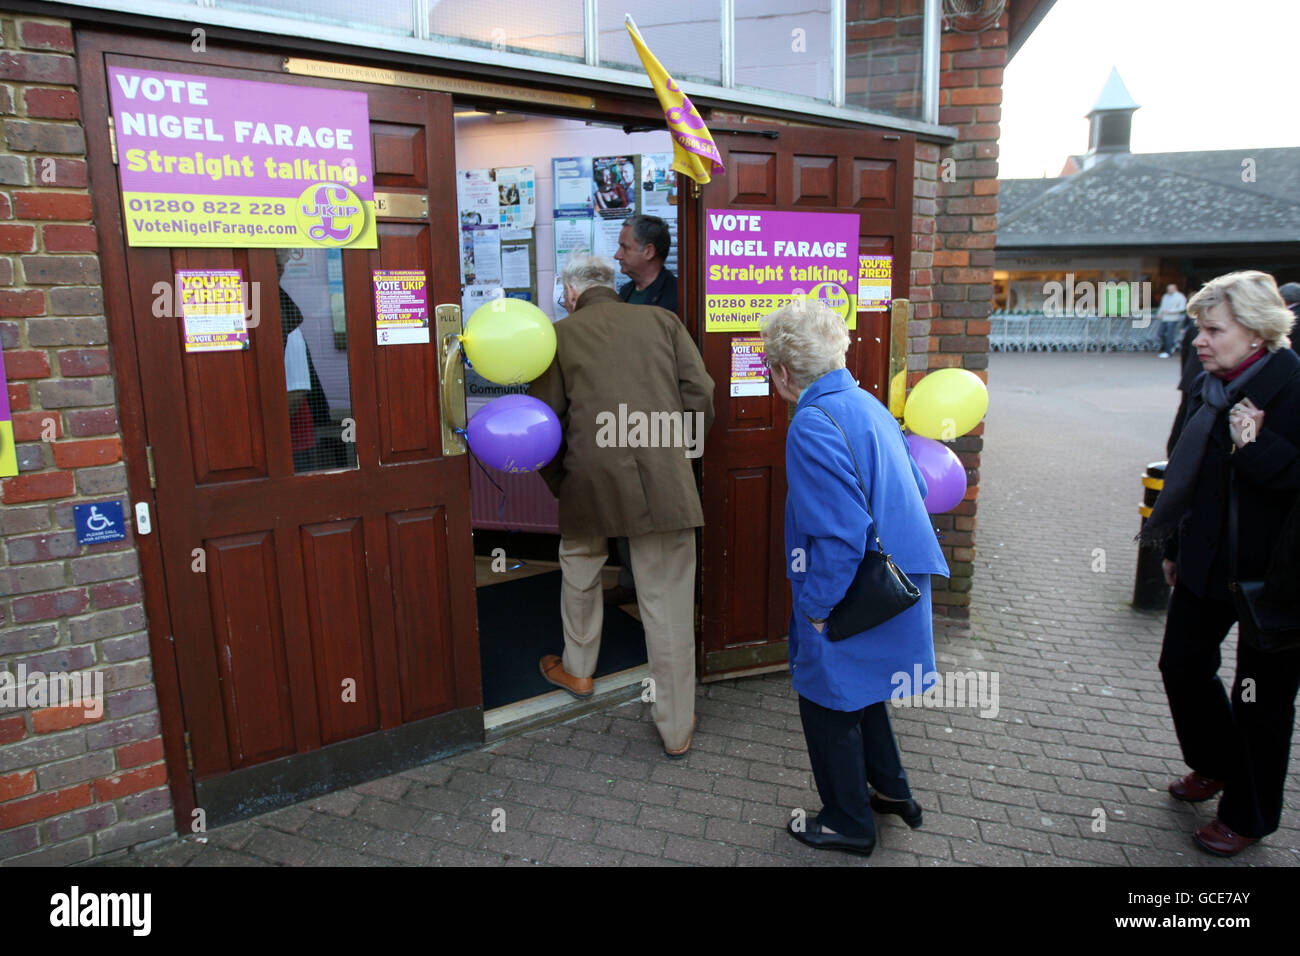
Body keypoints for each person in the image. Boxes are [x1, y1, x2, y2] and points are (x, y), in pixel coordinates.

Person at [761, 301, 949, 856]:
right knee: (866, 692)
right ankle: (891, 793)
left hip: (855, 588)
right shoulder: (866, 403)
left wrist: (815, 607)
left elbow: (841, 536)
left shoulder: (811, 424)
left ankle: (848, 822)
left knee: (827, 698)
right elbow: (916, 483)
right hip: (896, 584)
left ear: (783, 372)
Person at [528, 253, 715, 758]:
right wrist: (679, 457)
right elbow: (701, 393)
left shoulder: (559, 337)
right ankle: (676, 728)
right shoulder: (663, 320)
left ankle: (580, 671)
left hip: (589, 477)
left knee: (581, 568)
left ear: (570, 293)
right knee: (668, 600)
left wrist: (561, 480)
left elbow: (543, 423)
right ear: (612, 284)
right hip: (662, 479)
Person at [1143, 270, 1300, 857]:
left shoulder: (1292, 386)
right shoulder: (1210, 382)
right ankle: (1215, 761)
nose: (1199, 340)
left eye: (1213, 329)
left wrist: (1258, 447)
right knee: (1181, 666)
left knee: (1259, 699)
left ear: (1256, 333)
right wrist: (1177, 549)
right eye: (1198, 329)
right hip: (1208, 562)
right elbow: (1186, 475)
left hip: (1277, 579)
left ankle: (1249, 814)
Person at [615, 214, 678, 315]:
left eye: (625, 248)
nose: (617, 255)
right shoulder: (625, 291)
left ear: (649, 252)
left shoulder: (676, 295)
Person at [1157, 283, 1188, 357]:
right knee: (1160, 333)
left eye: (1170, 289)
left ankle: (1168, 351)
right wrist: (1159, 313)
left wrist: (1171, 311)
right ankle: (1170, 345)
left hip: (1173, 318)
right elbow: (1162, 306)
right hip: (1165, 318)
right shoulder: (1165, 296)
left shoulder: (1180, 297)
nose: (1168, 290)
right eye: (1168, 289)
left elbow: (1182, 308)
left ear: (1175, 289)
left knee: (1169, 335)